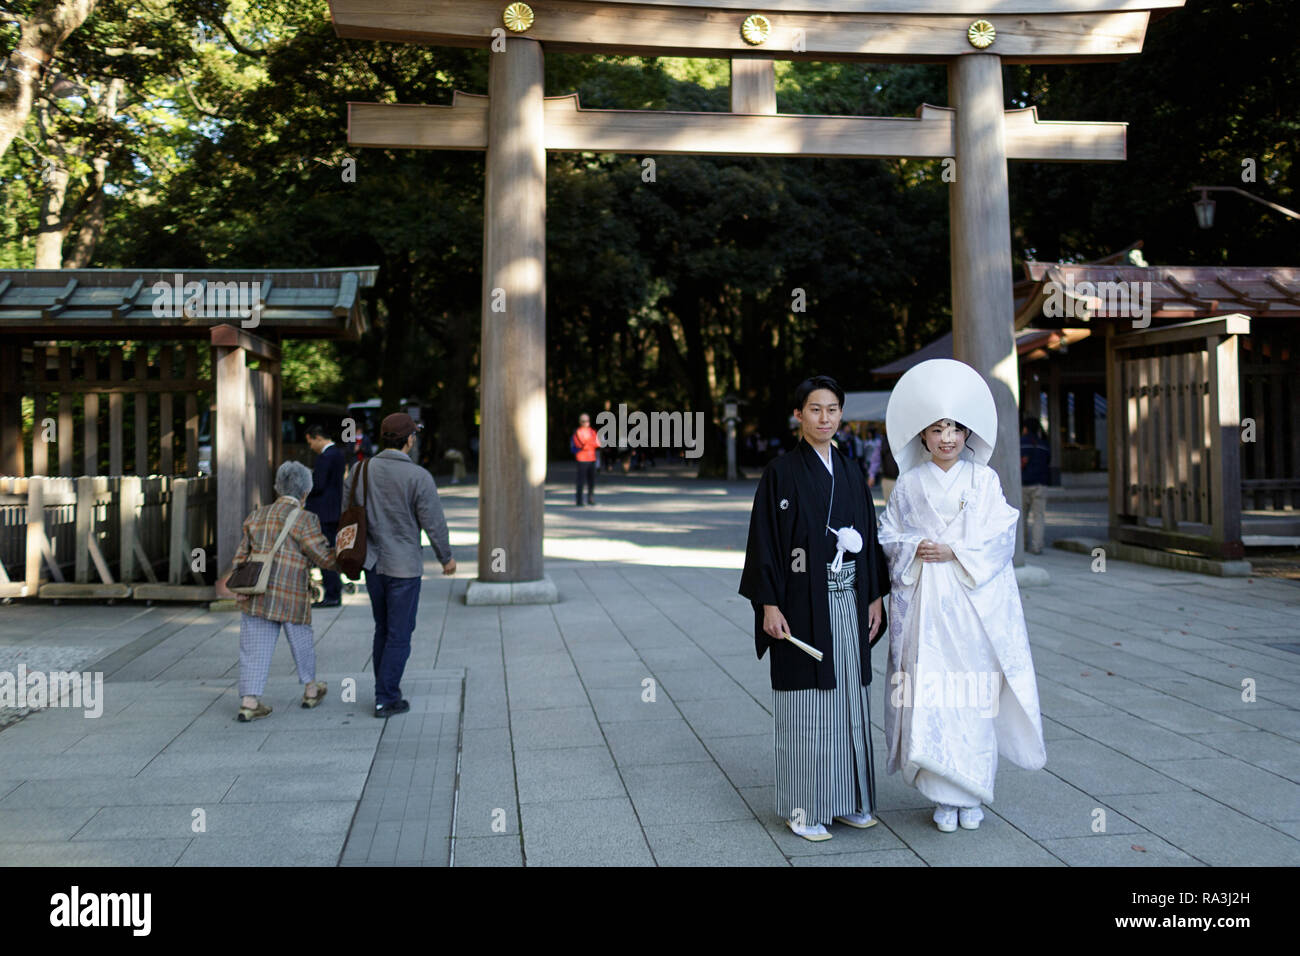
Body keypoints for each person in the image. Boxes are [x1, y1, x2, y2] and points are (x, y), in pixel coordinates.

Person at [877, 359, 1047, 833]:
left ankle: (972, 792)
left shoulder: (984, 480)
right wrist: (915, 547)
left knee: (973, 696)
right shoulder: (910, 483)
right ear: (924, 437)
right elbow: (888, 533)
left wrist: (955, 549)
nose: (947, 438)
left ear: (966, 433)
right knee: (931, 694)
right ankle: (940, 794)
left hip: (972, 605)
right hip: (927, 604)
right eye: (936, 429)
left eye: (953, 428)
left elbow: (1000, 535)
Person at [739, 375, 891, 842]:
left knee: (847, 698)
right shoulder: (781, 473)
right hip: (801, 606)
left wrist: (875, 595)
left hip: (847, 603)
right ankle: (804, 807)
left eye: (832, 410)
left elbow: (868, 536)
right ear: (799, 415)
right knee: (806, 704)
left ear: (840, 415)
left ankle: (845, 800)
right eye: (815, 409)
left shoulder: (849, 472)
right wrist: (768, 604)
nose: (824, 418)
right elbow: (764, 543)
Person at [344, 412, 456, 718]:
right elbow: (433, 521)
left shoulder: (358, 470)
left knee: (383, 628)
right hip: (403, 566)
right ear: (409, 439)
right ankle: (386, 697)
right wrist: (445, 557)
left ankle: (385, 688)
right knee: (400, 633)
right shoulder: (418, 477)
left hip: (371, 563)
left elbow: (347, 515)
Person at [221, 461, 337, 722]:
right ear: (305, 492)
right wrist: (346, 558)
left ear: (277, 488)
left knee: (254, 647)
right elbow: (322, 557)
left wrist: (239, 589)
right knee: (301, 641)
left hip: (256, 591)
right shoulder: (307, 519)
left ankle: (249, 703)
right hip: (291, 593)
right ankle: (310, 690)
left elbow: (242, 556)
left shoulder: (257, 515)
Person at [305, 424, 346, 607]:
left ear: (318, 437)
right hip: (334, 509)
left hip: (323, 511)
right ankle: (334, 590)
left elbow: (318, 485)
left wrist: (306, 492)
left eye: (310, 442)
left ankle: (332, 593)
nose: (310, 446)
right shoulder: (337, 454)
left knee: (324, 552)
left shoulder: (325, 457)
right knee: (331, 551)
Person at [1020, 417, 1051, 555]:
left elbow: (1022, 462)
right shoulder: (1044, 444)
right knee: (1039, 517)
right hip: (1040, 484)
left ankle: (1022, 544)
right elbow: (1047, 462)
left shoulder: (1022, 442)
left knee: (1022, 516)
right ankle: (1037, 546)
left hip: (1024, 484)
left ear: (1025, 428)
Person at [572, 413, 600, 506]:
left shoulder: (592, 431)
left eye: (587, 421)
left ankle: (590, 498)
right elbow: (580, 444)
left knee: (591, 480)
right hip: (582, 459)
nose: (586, 423)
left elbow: (598, 443)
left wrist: (589, 443)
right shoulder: (578, 432)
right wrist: (590, 443)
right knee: (581, 481)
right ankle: (579, 500)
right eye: (583, 421)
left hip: (591, 458)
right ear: (580, 422)